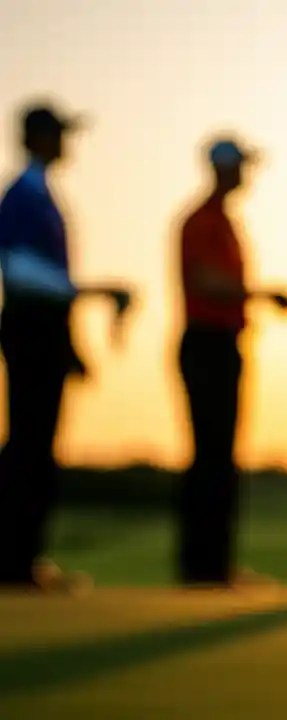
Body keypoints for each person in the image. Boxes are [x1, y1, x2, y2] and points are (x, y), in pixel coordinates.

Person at [0, 103, 132, 589]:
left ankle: (23, 557)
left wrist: (72, 343)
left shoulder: (42, 197)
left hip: (45, 330)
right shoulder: (22, 198)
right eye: (59, 134)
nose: (66, 144)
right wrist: (92, 291)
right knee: (28, 445)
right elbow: (20, 272)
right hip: (28, 328)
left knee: (39, 444)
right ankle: (13, 561)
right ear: (36, 138)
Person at [176, 137, 287, 587]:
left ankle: (214, 563)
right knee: (209, 454)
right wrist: (262, 293)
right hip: (206, 343)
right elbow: (207, 282)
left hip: (223, 344)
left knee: (220, 455)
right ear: (223, 168)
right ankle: (202, 567)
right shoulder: (201, 220)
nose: (246, 174)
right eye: (240, 166)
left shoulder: (223, 221)